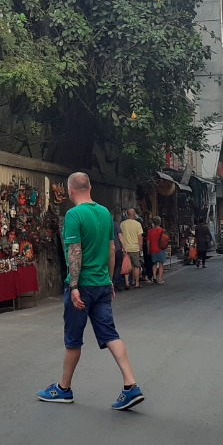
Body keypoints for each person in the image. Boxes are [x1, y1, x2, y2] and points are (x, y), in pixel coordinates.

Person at [36, 172, 144, 410]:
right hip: (102, 285)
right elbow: (111, 249)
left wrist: (73, 286)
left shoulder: (74, 215)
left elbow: (74, 252)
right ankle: (130, 384)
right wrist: (110, 281)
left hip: (82, 287)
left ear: (69, 190)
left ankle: (63, 389)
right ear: (90, 187)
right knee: (110, 335)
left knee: (73, 340)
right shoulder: (105, 213)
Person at [119, 209, 143, 289]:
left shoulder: (122, 224)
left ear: (127, 214)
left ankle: (127, 283)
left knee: (127, 265)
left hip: (125, 248)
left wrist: (122, 247)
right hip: (135, 248)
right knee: (136, 266)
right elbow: (140, 238)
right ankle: (136, 283)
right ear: (134, 214)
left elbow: (120, 236)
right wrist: (140, 248)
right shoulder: (137, 224)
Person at [143, 219, 164, 284]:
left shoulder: (150, 231)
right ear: (160, 223)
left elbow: (148, 241)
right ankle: (160, 279)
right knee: (161, 264)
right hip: (160, 248)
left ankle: (154, 277)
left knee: (154, 263)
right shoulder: (162, 231)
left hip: (152, 248)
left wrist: (148, 249)